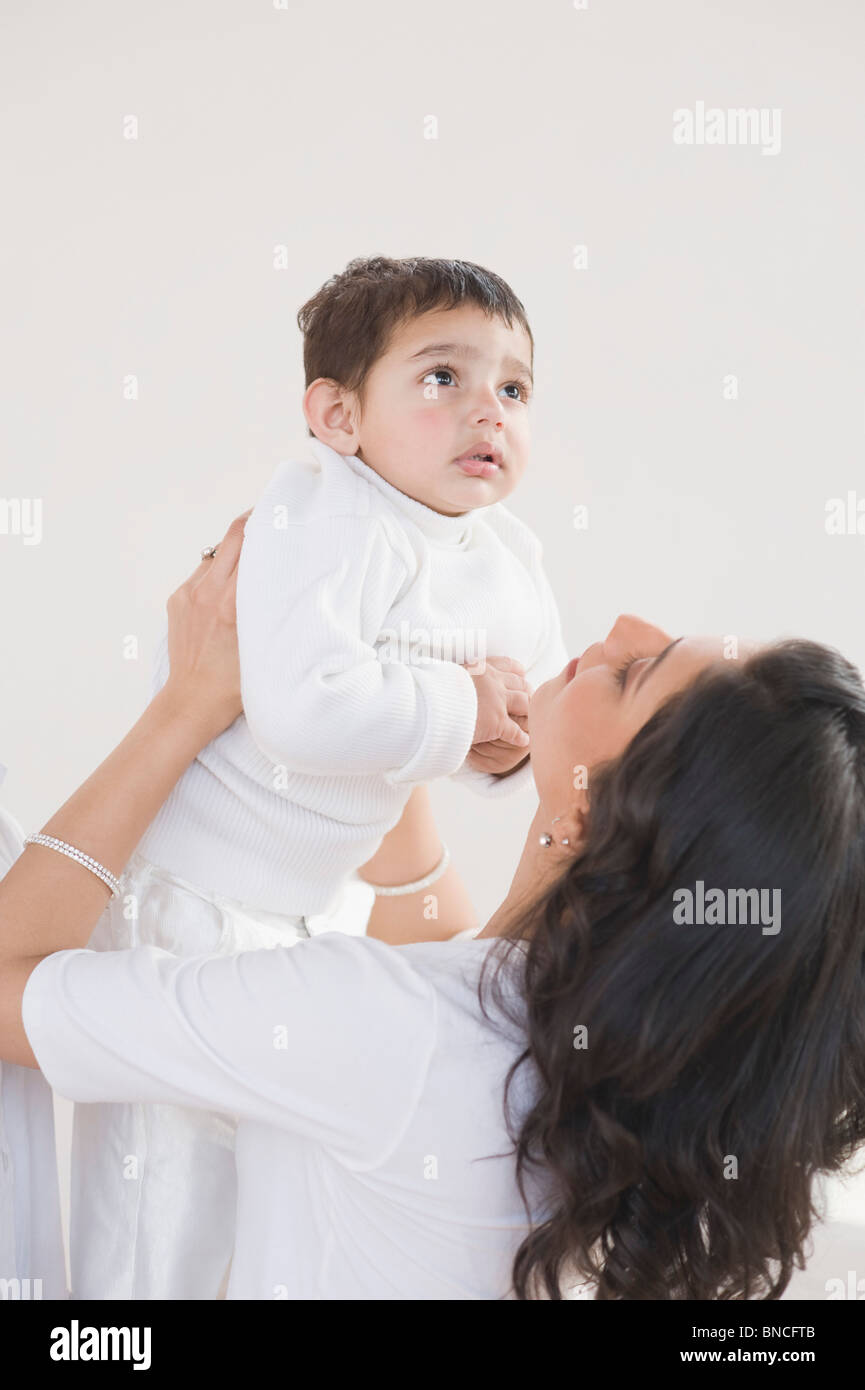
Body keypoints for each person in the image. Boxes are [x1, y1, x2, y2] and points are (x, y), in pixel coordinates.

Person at [2, 514, 864, 1299]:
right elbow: (444, 945)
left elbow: (11, 989)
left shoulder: (384, 1028)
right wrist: (388, 720)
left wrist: (186, 704)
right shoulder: (629, 1086)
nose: (624, 628)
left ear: (601, 814)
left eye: (640, 670)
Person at [72, 255, 567, 1299]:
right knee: (165, 1190)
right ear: (338, 418)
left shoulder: (508, 554)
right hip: (195, 906)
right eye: (443, 378)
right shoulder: (318, 512)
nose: (489, 409)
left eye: (513, 388)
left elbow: (525, 720)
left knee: (271, 1186)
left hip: (317, 912)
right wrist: (458, 709)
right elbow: (300, 708)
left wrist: (501, 738)